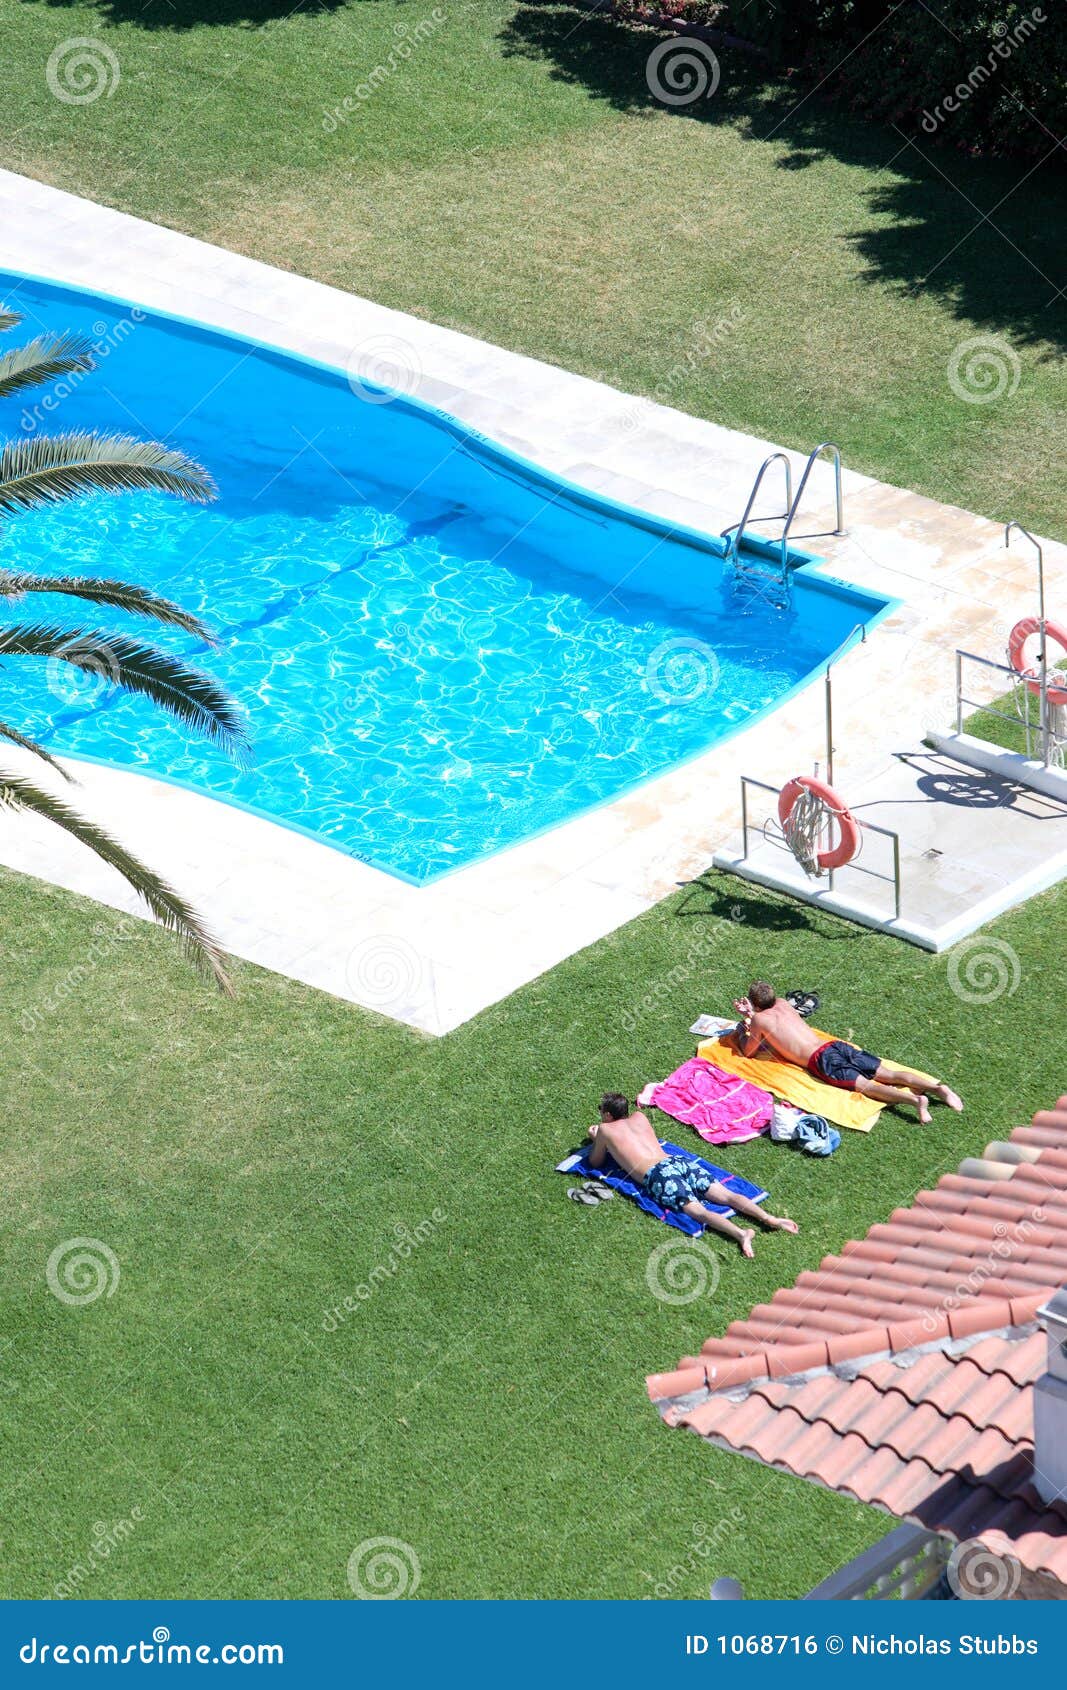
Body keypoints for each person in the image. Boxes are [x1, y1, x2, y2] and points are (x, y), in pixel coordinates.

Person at [586, 1093, 798, 1258]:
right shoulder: (639, 1117)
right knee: (727, 1196)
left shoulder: (605, 1130)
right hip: (678, 1162)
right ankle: (769, 1218)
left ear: (608, 1115)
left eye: (600, 1110)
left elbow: (595, 1162)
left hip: (659, 1175)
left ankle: (742, 1234)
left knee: (699, 1211)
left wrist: (596, 1138)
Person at [732, 981, 963, 1125]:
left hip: (821, 1060)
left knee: (867, 1087)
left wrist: (744, 1027)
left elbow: (749, 1051)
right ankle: (938, 1089)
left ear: (754, 1003)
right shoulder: (782, 1003)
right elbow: (778, 1024)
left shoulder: (759, 1020)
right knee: (889, 1074)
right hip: (834, 1046)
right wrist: (753, 1013)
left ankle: (915, 1100)